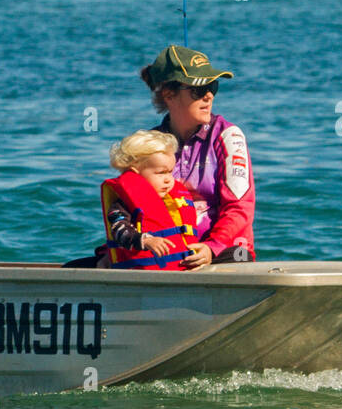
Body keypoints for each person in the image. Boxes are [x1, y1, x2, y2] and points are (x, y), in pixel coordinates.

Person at [140, 44, 255, 267]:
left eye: (212, 86)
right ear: (169, 95)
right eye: (199, 89)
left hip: (227, 253)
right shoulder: (150, 144)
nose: (209, 96)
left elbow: (240, 208)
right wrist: (114, 253)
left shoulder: (229, 137)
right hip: (170, 253)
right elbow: (132, 205)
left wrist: (212, 247)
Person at [100, 130, 198, 269]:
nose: (168, 179)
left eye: (170, 172)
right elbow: (119, 230)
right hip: (141, 272)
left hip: (182, 267)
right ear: (135, 173)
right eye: (161, 173)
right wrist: (144, 241)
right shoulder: (123, 204)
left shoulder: (172, 199)